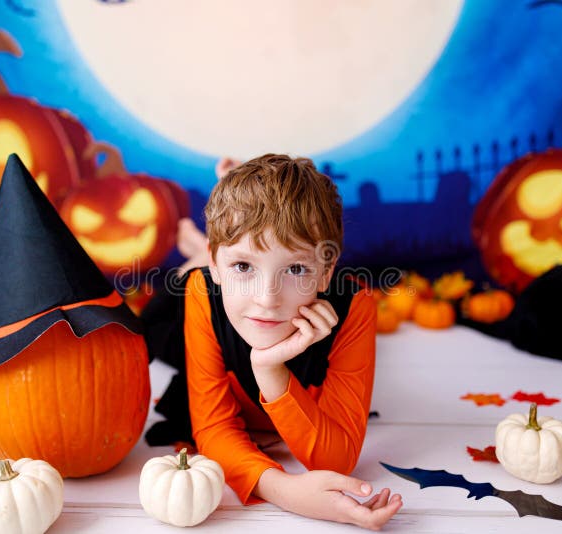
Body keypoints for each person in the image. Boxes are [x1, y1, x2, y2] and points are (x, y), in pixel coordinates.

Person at [142, 154, 402, 530]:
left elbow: (335, 460)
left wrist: (269, 368)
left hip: (238, 301)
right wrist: (283, 489)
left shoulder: (355, 307)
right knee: (153, 323)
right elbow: (213, 428)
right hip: (202, 302)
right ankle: (201, 250)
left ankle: (232, 242)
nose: (268, 298)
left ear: (326, 272)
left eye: (295, 268)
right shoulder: (204, 288)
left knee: (253, 259)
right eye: (243, 266)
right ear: (219, 266)